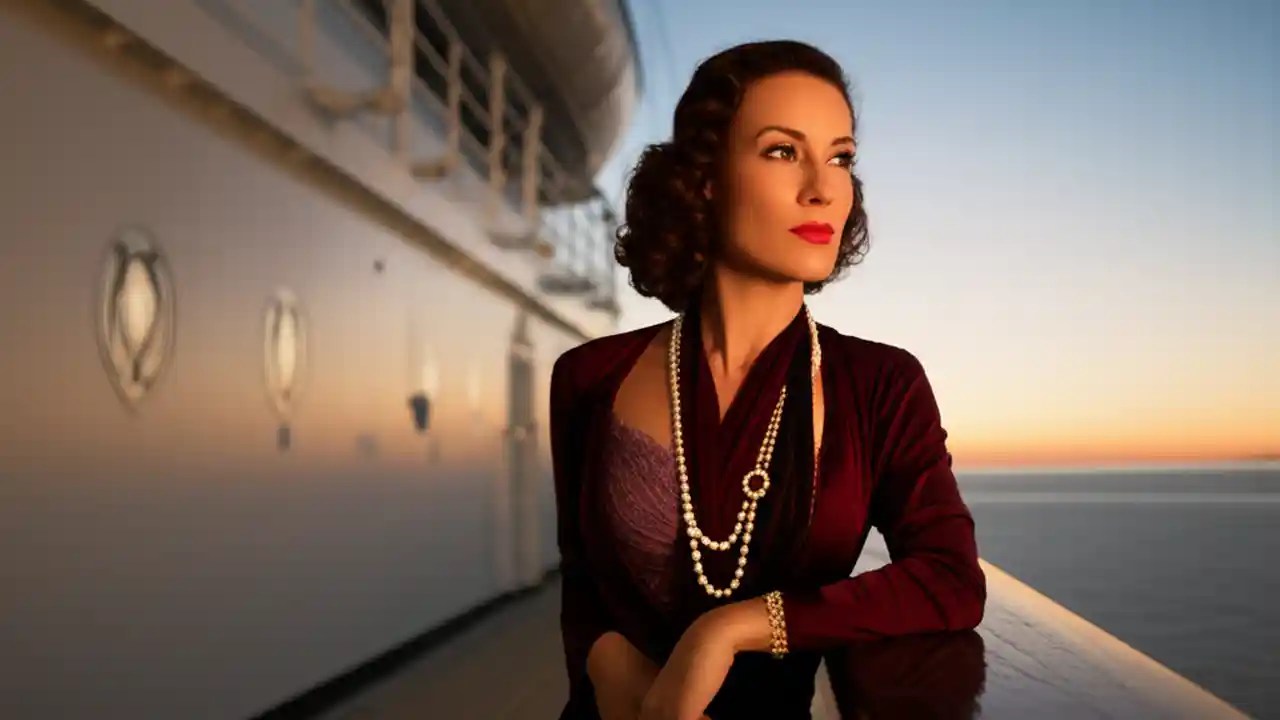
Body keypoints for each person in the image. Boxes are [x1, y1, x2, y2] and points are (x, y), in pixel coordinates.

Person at [549, 39, 986, 720]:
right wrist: (613, 669)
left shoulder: (881, 383)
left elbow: (951, 579)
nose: (823, 188)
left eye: (840, 158)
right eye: (783, 150)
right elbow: (582, 585)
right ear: (705, 179)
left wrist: (731, 629)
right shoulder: (588, 376)